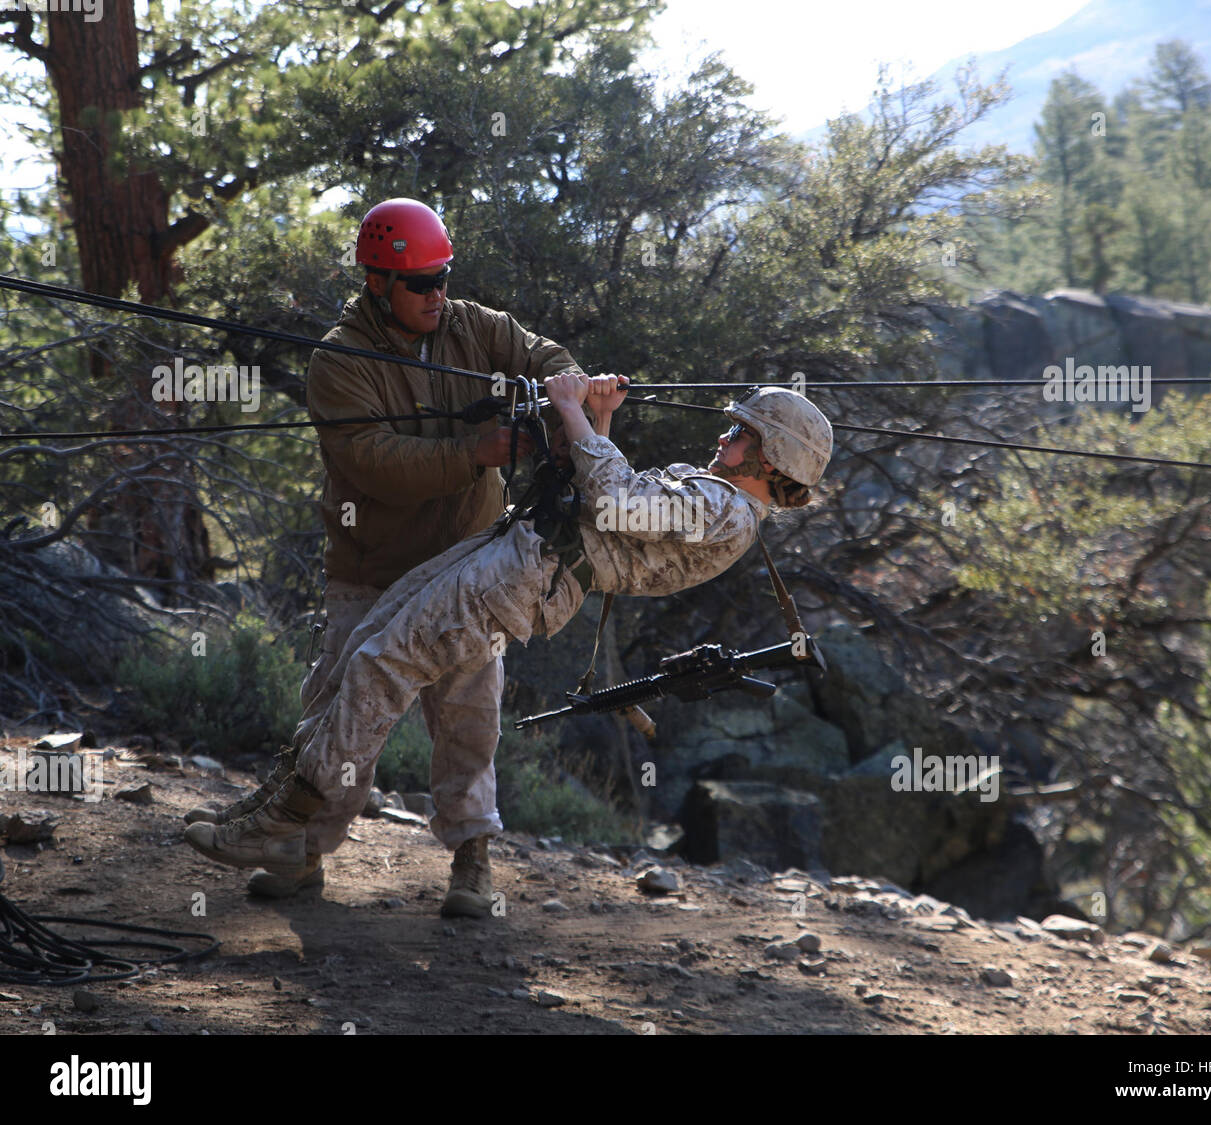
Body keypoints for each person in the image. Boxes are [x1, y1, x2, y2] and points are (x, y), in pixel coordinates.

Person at [184, 374, 834, 918]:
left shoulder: (729, 513)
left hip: (527, 576)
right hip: (518, 551)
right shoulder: (721, 497)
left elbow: (616, 505)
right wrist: (599, 423)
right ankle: (283, 813)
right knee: (366, 641)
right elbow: (617, 499)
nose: (725, 435)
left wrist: (576, 412)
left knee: (380, 665)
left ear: (771, 458)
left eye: (741, 432)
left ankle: (286, 816)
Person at [184, 198, 586, 914]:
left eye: (443, 278)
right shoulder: (338, 361)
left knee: (470, 711)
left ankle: (473, 861)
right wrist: (475, 453)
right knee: (341, 710)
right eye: (421, 284)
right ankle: (302, 853)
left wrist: (573, 392)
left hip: (470, 567)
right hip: (371, 569)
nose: (438, 295)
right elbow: (373, 461)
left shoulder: (473, 325)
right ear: (377, 283)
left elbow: (544, 355)